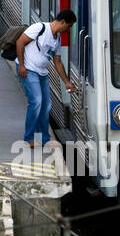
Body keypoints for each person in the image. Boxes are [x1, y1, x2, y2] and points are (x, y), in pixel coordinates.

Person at [14, 10, 78, 148]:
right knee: (36, 101)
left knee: (46, 105)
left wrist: (67, 82)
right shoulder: (40, 28)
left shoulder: (57, 39)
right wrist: (22, 65)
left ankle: (44, 138)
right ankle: (29, 137)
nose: (68, 30)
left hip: (42, 73)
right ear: (62, 22)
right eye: (69, 26)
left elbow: (58, 62)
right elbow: (20, 42)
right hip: (28, 69)